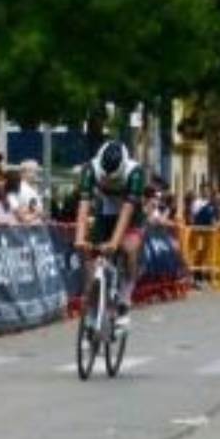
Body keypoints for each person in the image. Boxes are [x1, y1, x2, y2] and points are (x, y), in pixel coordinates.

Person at [73, 141, 146, 329]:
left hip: (130, 216)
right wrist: (80, 238)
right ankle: (92, 304)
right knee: (90, 255)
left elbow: (127, 211)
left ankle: (124, 298)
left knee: (129, 248)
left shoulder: (135, 172)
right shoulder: (90, 169)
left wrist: (114, 242)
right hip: (105, 212)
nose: (110, 181)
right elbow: (84, 206)